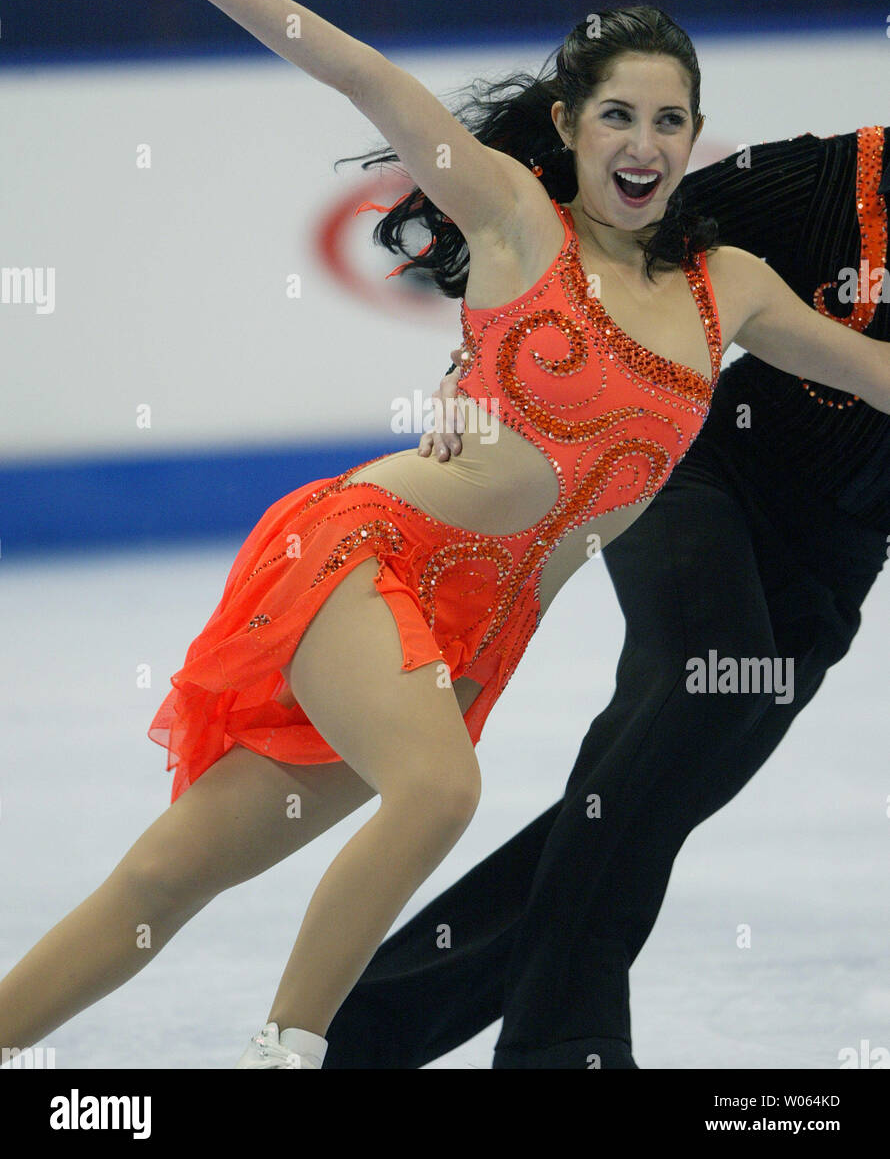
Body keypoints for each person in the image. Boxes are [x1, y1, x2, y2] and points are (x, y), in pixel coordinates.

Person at [2, 0, 885, 1071]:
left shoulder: (732, 285)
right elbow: (359, 74)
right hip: (368, 557)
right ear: (567, 124)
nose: (641, 143)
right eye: (614, 115)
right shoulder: (519, 220)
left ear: (695, 135)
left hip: (477, 632)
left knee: (169, 875)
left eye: (667, 121)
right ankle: (291, 1054)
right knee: (438, 789)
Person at [322, 123, 890, 1069]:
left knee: (647, 795)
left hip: (840, 551)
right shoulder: (828, 177)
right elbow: (596, 234)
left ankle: (364, 1034)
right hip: (697, 482)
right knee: (720, 689)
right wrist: (473, 367)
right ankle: (563, 1042)